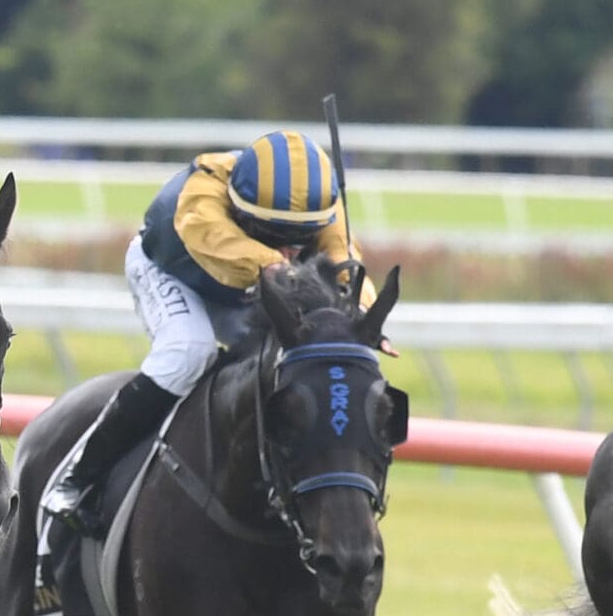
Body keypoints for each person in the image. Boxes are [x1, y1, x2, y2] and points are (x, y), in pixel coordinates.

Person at [46, 128, 379, 535]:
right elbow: (240, 253)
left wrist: (361, 319)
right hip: (175, 270)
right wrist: (278, 266)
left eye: (301, 240)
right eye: (274, 235)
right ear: (239, 210)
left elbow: (345, 264)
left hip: (248, 287)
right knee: (189, 351)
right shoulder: (202, 199)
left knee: (286, 363)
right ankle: (78, 477)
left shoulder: (322, 205)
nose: (290, 250)